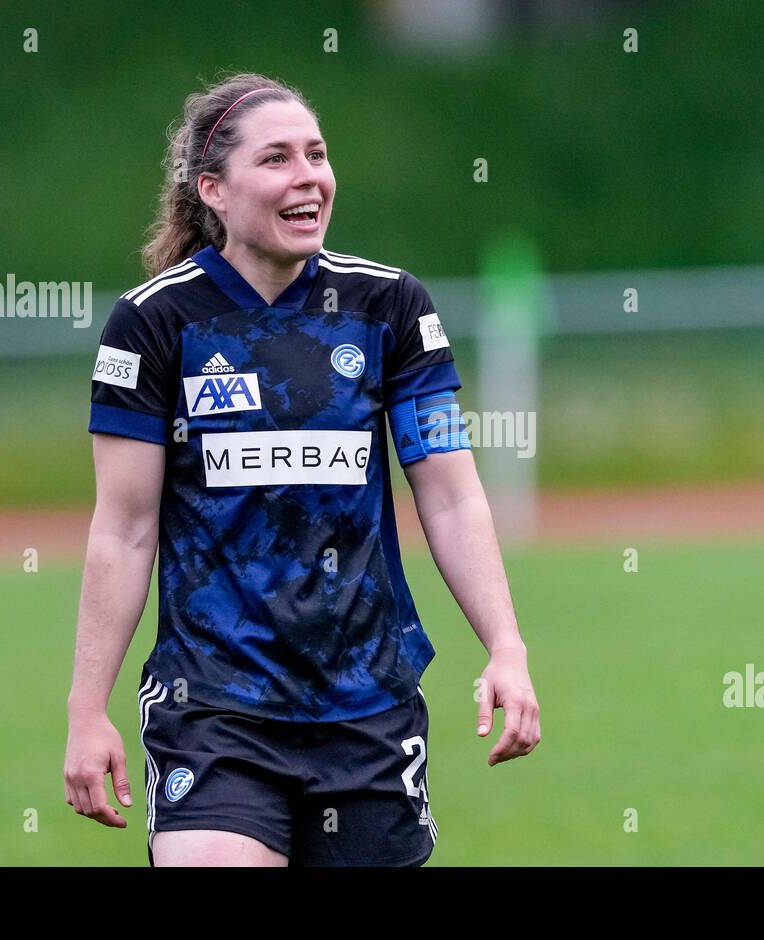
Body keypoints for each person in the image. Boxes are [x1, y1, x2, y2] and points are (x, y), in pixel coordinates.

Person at [63, 73, 540, 867]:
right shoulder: (152, 323)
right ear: (212, 189)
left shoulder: (391, 309)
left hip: (366, 703)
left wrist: (507, 647)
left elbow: (451, 496)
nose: (308, 176)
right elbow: (124, 528)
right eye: (278, 159)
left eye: (316, 155)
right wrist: (87, 709)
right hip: (211, 705)